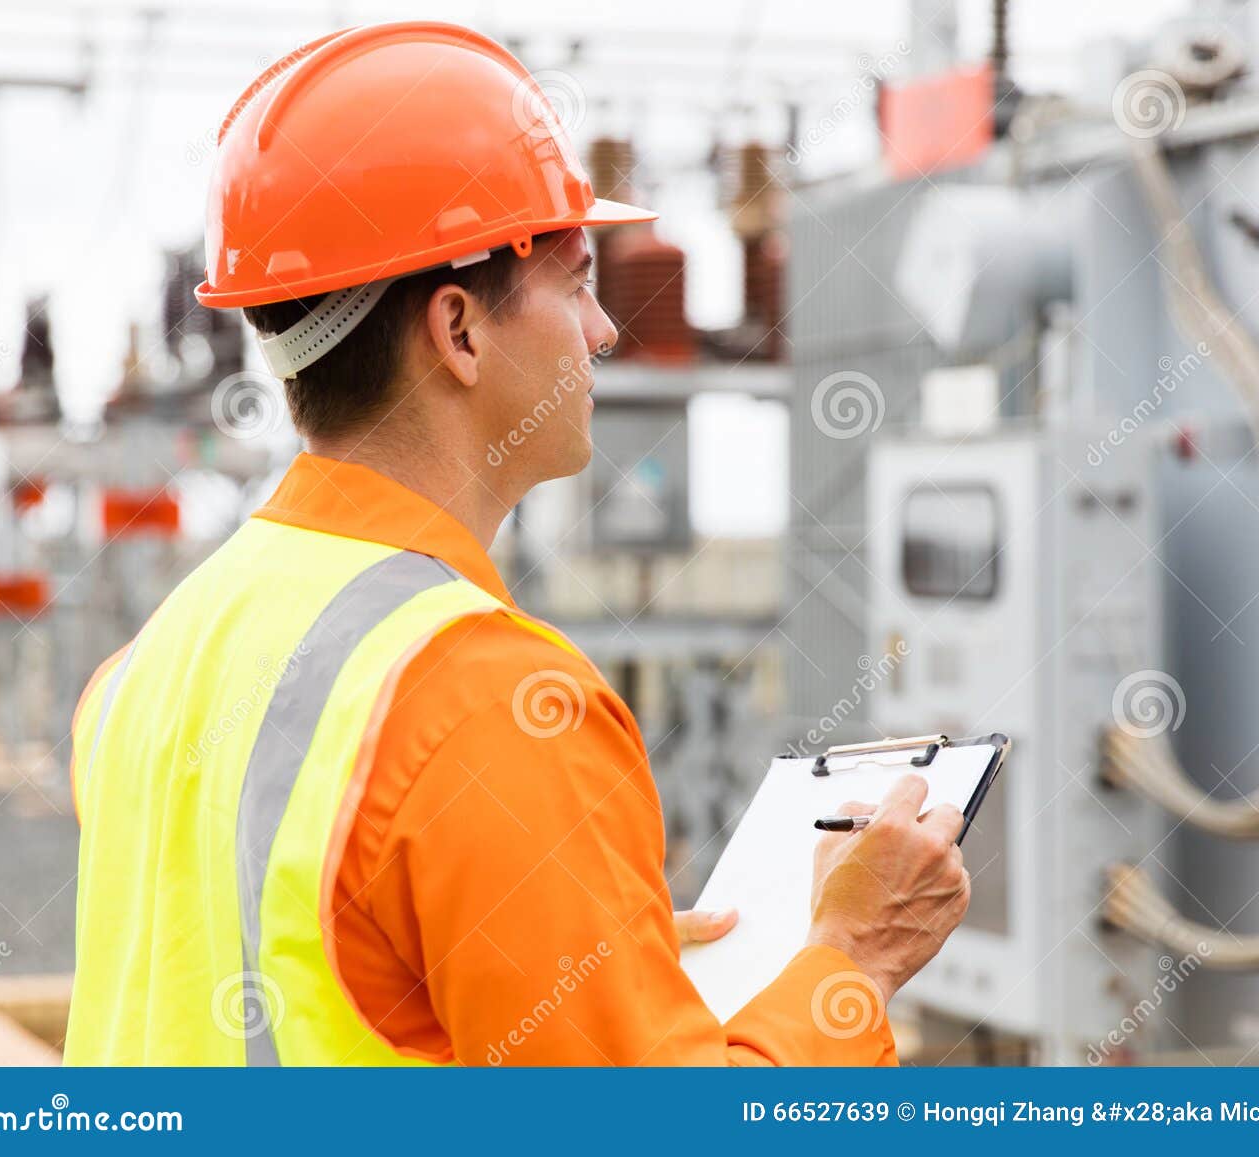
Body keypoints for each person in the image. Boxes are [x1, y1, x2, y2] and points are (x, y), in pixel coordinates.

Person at [64, 20, 969, 1067]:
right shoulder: (487, 700)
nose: (603, 332)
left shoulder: (149, 662)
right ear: (459, 330)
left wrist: (574, 954)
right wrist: (849, 962)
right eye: (577, 281)